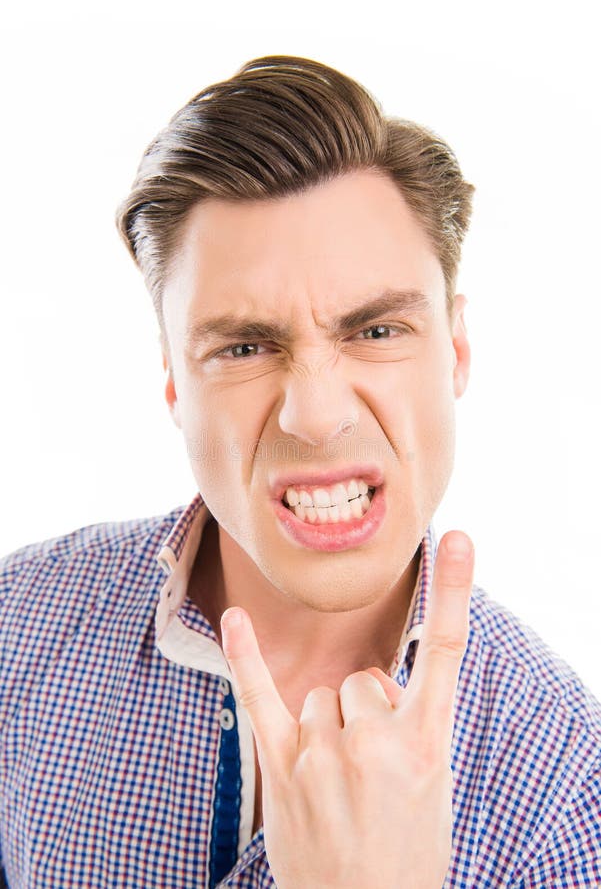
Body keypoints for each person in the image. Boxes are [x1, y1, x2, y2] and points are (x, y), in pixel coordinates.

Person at [0, 54, 599, 889]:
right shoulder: (16, 628)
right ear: (175, 380)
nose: (315, 415)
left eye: (376, 330)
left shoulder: (563, 777)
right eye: (244, 347)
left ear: (455, 351)